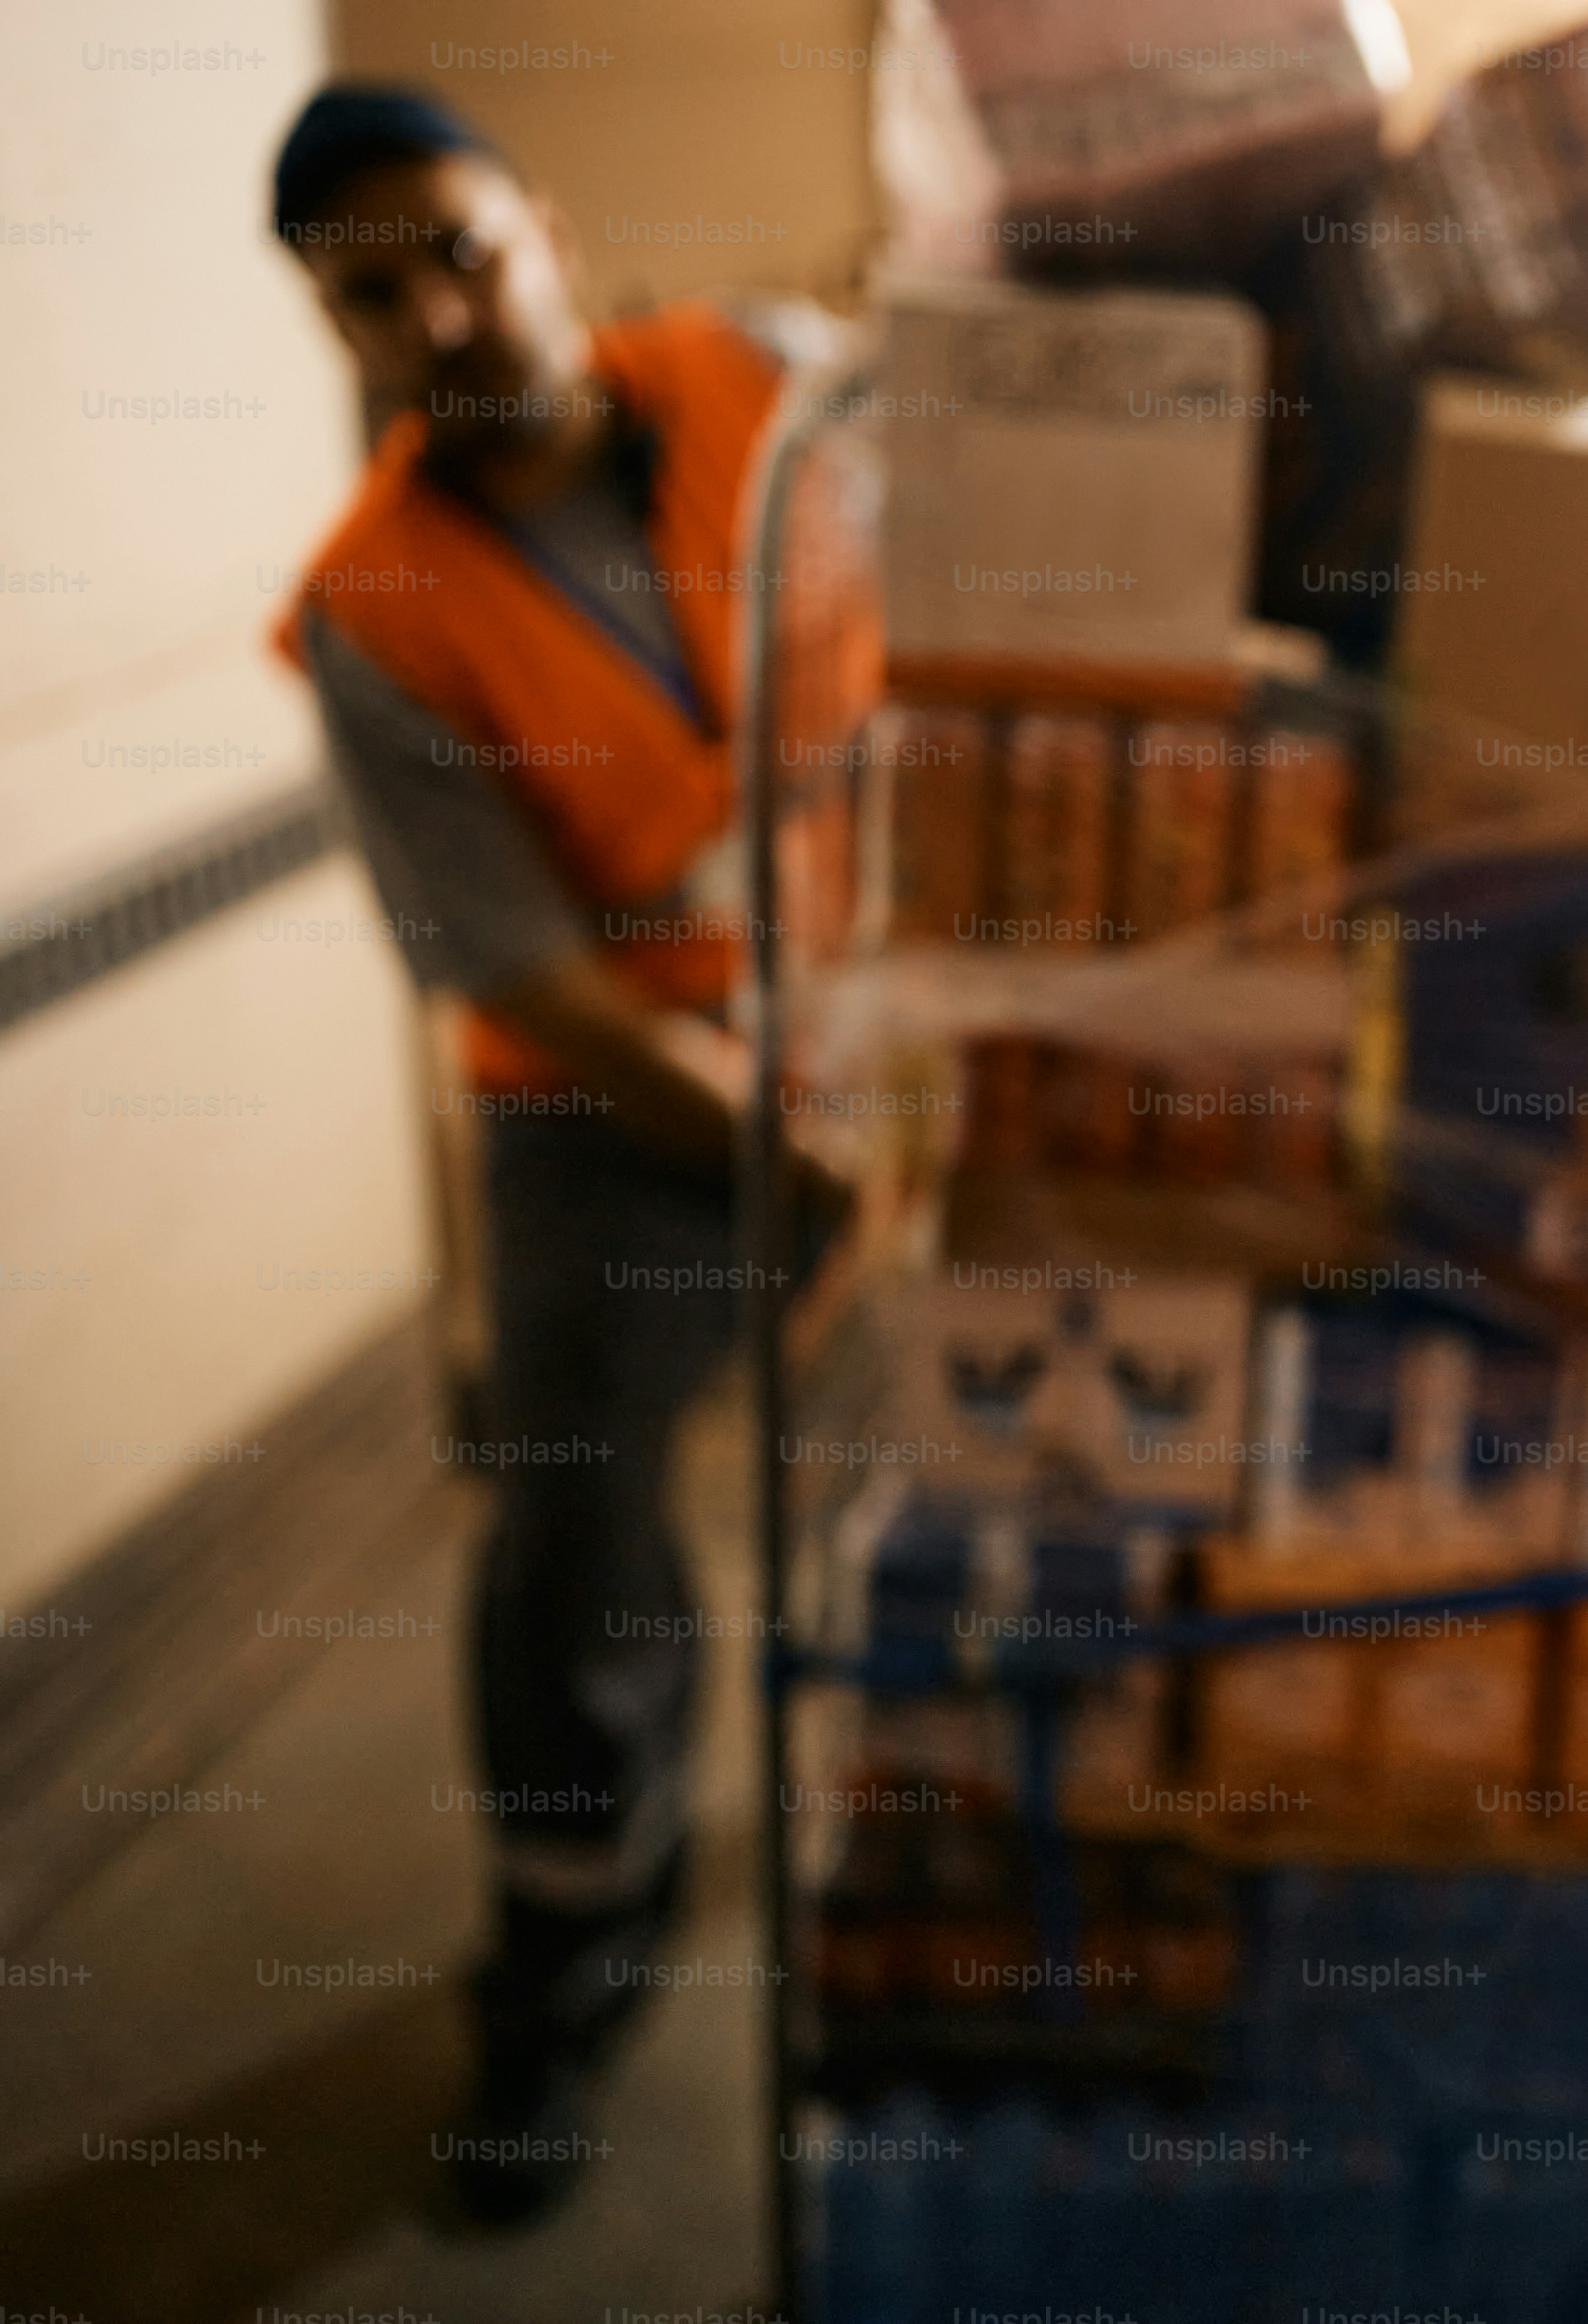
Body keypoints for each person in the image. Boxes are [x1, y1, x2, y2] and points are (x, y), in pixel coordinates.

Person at [266, 85, 845, 2223]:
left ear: (550, 229)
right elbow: (533, 985)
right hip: (616, 1126)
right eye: (369, 293)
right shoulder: (374, 610)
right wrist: (796, 1150)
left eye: (454, 246)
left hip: (884, 1038)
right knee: (577, 1541)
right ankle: (558, 1986)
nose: (432, 308)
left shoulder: (765, 382)